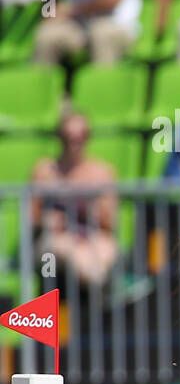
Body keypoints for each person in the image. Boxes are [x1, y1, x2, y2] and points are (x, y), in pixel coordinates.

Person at [30, 107, 121, 288]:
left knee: (105, 251)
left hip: (91, 236)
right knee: (70, 251)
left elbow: (110, 222)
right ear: (60, 137)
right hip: (55, 239)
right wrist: (47, 220)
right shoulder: (45, 170)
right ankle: (95, 289)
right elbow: (30, 215)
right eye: (68, 138)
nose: (74, 143)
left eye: (80, 137)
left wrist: (93, 212)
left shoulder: (102, 172)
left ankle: (94, 298)